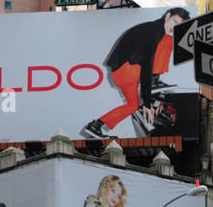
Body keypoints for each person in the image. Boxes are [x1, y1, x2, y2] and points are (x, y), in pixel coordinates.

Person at [82, 8, 191, 140]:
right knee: (168, 40)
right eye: (174, 22)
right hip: (128, 69)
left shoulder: (152, 29)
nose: (174, 27)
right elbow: (147, 66)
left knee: (132, 105)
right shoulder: (154, 32)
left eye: (178, 25)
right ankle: (155, 80)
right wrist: (147, 100)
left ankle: (95, 126)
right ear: (167, 16)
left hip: (122, 73)